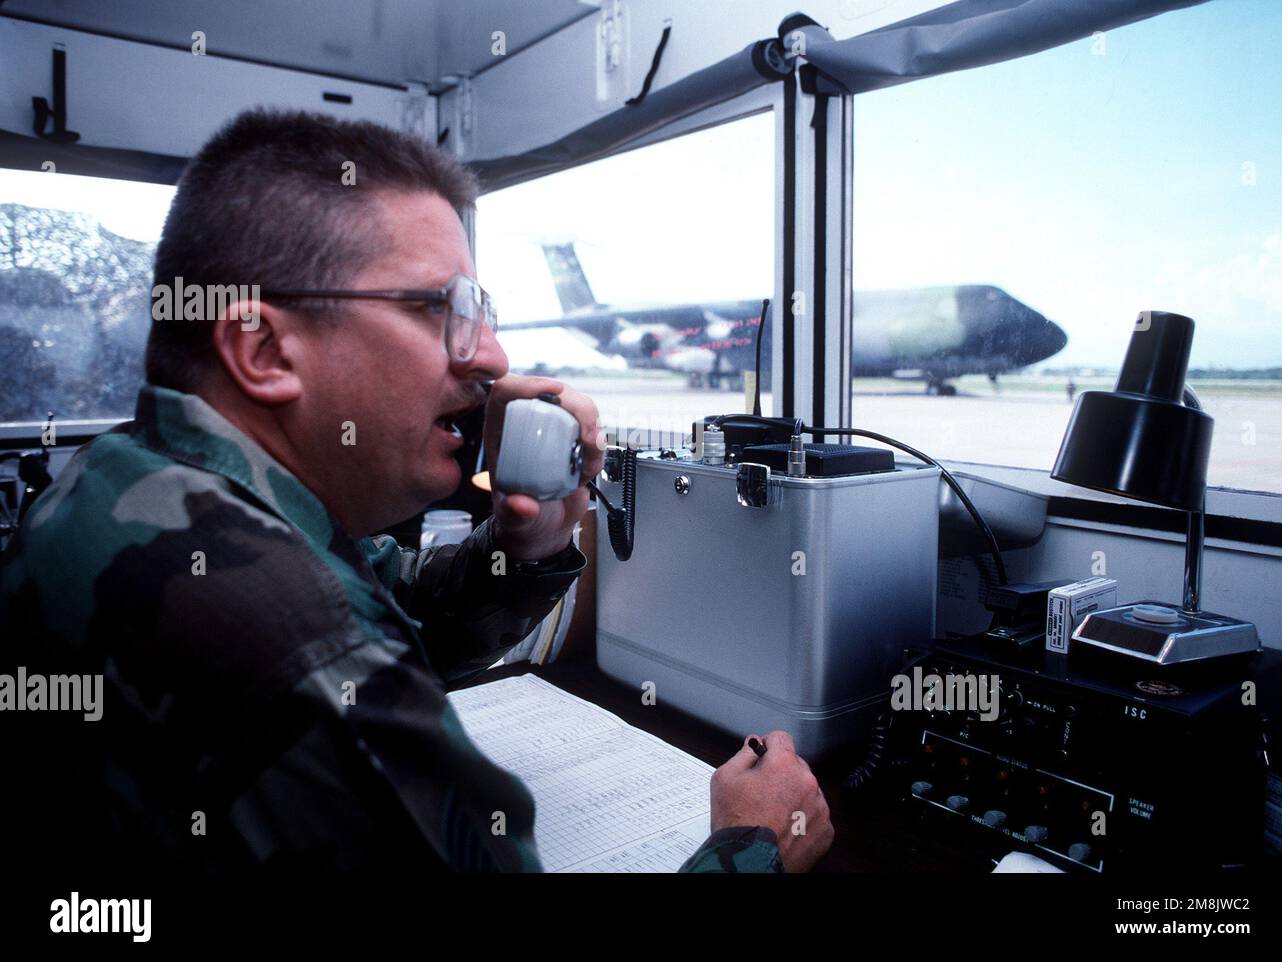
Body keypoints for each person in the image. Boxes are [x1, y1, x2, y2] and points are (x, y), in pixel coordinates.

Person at [0, 109, 832, 874]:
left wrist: (526, 545)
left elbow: (396, 609)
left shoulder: (140, 479)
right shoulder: (280, 633)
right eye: (440, 309)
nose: (493, 359)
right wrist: (754, 847)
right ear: (263, 350)